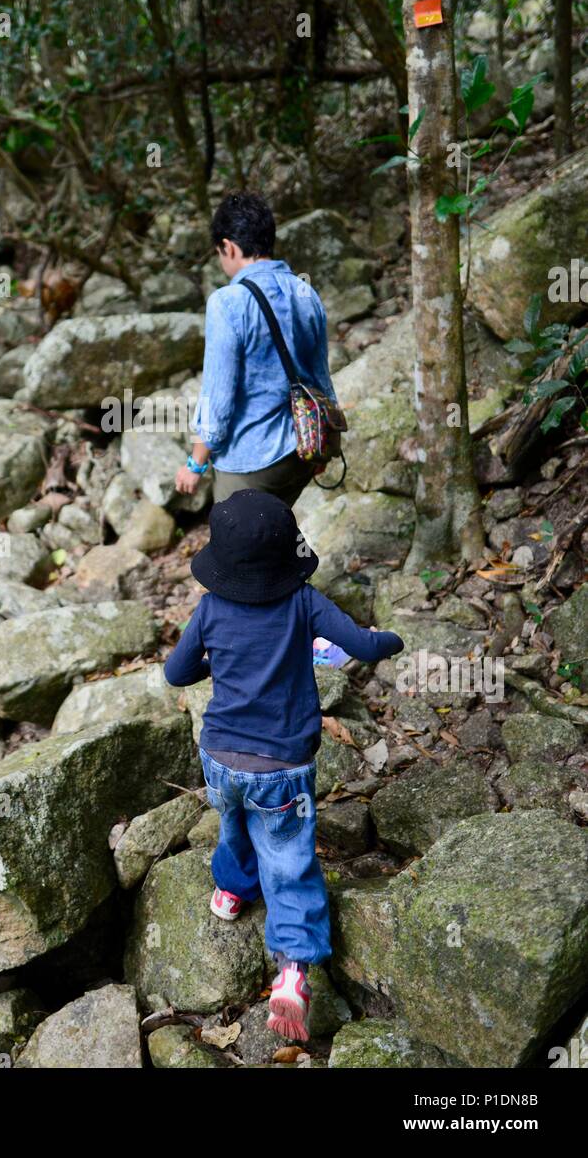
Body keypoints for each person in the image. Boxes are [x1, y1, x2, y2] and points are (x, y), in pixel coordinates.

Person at [163, 489, 404, 1041]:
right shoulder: (303, 603)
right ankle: (293, 969)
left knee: (233, 823)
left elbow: (177, 674)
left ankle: (230, 892)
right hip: (282, 766)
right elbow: (361, 647)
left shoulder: (210, 609)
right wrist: (390, 640)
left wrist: (216, 664)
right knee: (289, 855)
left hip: (219, 759)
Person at [175, 191, 338, 507]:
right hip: (304, 449)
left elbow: (218, 398)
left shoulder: (227, 303)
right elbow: (321, 375)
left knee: (236, 552)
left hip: (253, 460)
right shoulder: (306, 292)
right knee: (275, 540)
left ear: (229, 247)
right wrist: (325, 442)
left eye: (220, 253)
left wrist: (195, 463)